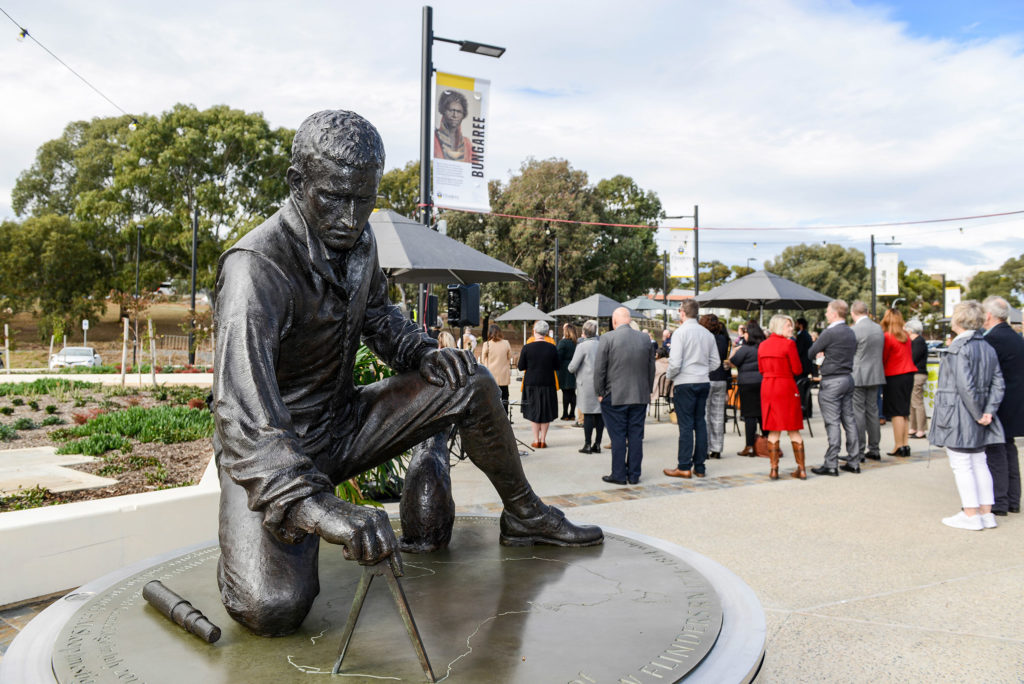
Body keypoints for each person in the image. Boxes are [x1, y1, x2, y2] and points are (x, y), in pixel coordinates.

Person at [212, 111, 601, 636]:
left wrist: (420, 352)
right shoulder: (255, 268)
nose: (351, 218)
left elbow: (376, 315)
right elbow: (243, 419)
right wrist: (320, 511)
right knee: (271, 608)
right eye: (334, 197)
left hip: (342, 426)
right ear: (296, 184)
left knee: (470, 381)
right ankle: (295, 514)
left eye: (363, 199)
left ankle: (525, 513)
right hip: (270, 457)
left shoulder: (360, 243)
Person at [928, 300, 1004, 531]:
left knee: (962, 464)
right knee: (979, 462)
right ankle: (985, 513)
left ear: (959, 320)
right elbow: (998, 382)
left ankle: (970, 515)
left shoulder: (959, 348)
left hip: (960, 414)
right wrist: (988, 411)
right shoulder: (987, 346)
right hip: (980, 414)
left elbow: (964, 385)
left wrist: (979, 413)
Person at [594, 307, 655, 485]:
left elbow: (600, 369)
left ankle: (619, 474)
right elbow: (651, 368)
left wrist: (599, 392)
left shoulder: (607, 338)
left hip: (615, 395)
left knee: (618, 436)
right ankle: (634, 475)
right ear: (629, 320)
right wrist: (648, 389)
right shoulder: (645, 339)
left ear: (614, 322)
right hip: (639, 394)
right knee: (636, 435)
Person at [663, 299, 719, 479]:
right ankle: (700, 467)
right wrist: (702, 370)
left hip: (684, 382)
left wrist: (670, 376)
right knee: (700, 423)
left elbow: (675, 362)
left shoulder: (680, 333)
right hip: (703, 380)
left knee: (686, 425)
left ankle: (684, 465)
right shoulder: (707, 334)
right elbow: (716, 362)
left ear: (682, 312)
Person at [807, 299, 860, 476]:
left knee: (833, 422)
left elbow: (810, 352)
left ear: (835, 313)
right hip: (847, 378)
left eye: (828, 311)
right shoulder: (850, 332)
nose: (826, 314)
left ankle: (831, 463)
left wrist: (823, 354)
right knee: (849, 420)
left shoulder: (829, 333)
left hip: (832, 380)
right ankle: (854, 460)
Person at [982, 296, 1023, 517]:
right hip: (1015, 402)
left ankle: (1000, 500)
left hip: (1000, 404)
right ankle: (1013, 499)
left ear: (988, 315)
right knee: (1008, 449)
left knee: (996, 451)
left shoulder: (993, 340)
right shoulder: (1016, 338)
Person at [758, 315, 805, 479]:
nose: (791, 329)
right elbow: (798, 369)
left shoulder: (762, 345)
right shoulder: (789, 344)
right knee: (793, 429)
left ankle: (773, 469)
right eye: (788, 326)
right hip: (786, 386)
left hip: (768, 387)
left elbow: (761, 369)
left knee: (773, 429)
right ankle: (802, 468)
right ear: (779, 327)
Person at [851, 300, 886, 461]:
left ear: (853, 313)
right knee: (873, 412)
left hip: (858, 375)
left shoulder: (855, 330)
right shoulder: (878, 328)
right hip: (876, 374)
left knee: (858, 412)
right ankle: (874, 448)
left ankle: (859, 449)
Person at [518, 320, 560, 448]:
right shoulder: (552, 348)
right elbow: (557, 366)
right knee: (546, 411)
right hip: (548, 382)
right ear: (546, 333)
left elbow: (520, 366)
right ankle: (543, 439)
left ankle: (536, 440)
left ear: (534, 331)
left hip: (531, 383)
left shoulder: (527, 347)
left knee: (533, 411)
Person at [880, 308, 917, 457]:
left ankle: (898, 445)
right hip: (908, 374)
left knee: (896, 413)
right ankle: (905, 443)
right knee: (904, 411)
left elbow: (884, 358)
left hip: (894, 375)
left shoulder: (888, 337)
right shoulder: (906, 336)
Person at [728, 320, 766, 457]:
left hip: (747, 384)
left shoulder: (744, 349)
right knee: (762, 414)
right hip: (763, 382)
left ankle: (750, 446)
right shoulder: (764, 347)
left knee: (749, 415)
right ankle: (767, 443)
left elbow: (733, 362)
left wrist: (735, 350)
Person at [568, 319, 603, 454]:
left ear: (584, 332)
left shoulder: (582, 346)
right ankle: (598, 444)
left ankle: (587, 444)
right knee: (599, 414)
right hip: (600, 382)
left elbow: (572, 367)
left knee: (588, 414)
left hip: (586, 384)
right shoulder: (601, 344)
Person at [700, 313, 730, 460]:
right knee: (718, 415)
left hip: (707, 377)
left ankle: (704, 448)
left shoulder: (705, 339)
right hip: (721, 379)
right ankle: (717, 448)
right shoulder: (724, 339)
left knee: (704, 415)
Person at [478, 325, 512, 414]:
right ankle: (505, 414)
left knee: (491, 397)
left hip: (491, 376)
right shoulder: (506, 343)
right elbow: (509, 357)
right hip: (503, 375)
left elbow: (483, 359)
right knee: (505, 396)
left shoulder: (487, 344)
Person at [433, 89, 474, 163]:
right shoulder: (433, 138)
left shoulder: (467, 144)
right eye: (451, 110)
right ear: (443, 111)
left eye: (459, 112)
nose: (455, 115)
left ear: (463, 115)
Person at [906, 318, 929, 439]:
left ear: (910, 330)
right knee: (913, 402)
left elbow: (913, 357)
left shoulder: (918, 342)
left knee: (917, 402)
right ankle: (914, 427)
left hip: (918, 374)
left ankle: (921, 429)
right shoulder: (917, 342)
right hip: (915, 374)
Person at [557, 323, 578, 422]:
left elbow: (558, 357)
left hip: (564, 369)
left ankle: (565, 413)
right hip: (575, 368)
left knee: (565, 392)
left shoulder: (563, 343)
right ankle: (572, 413)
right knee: (572, 392)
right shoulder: (577, 343)